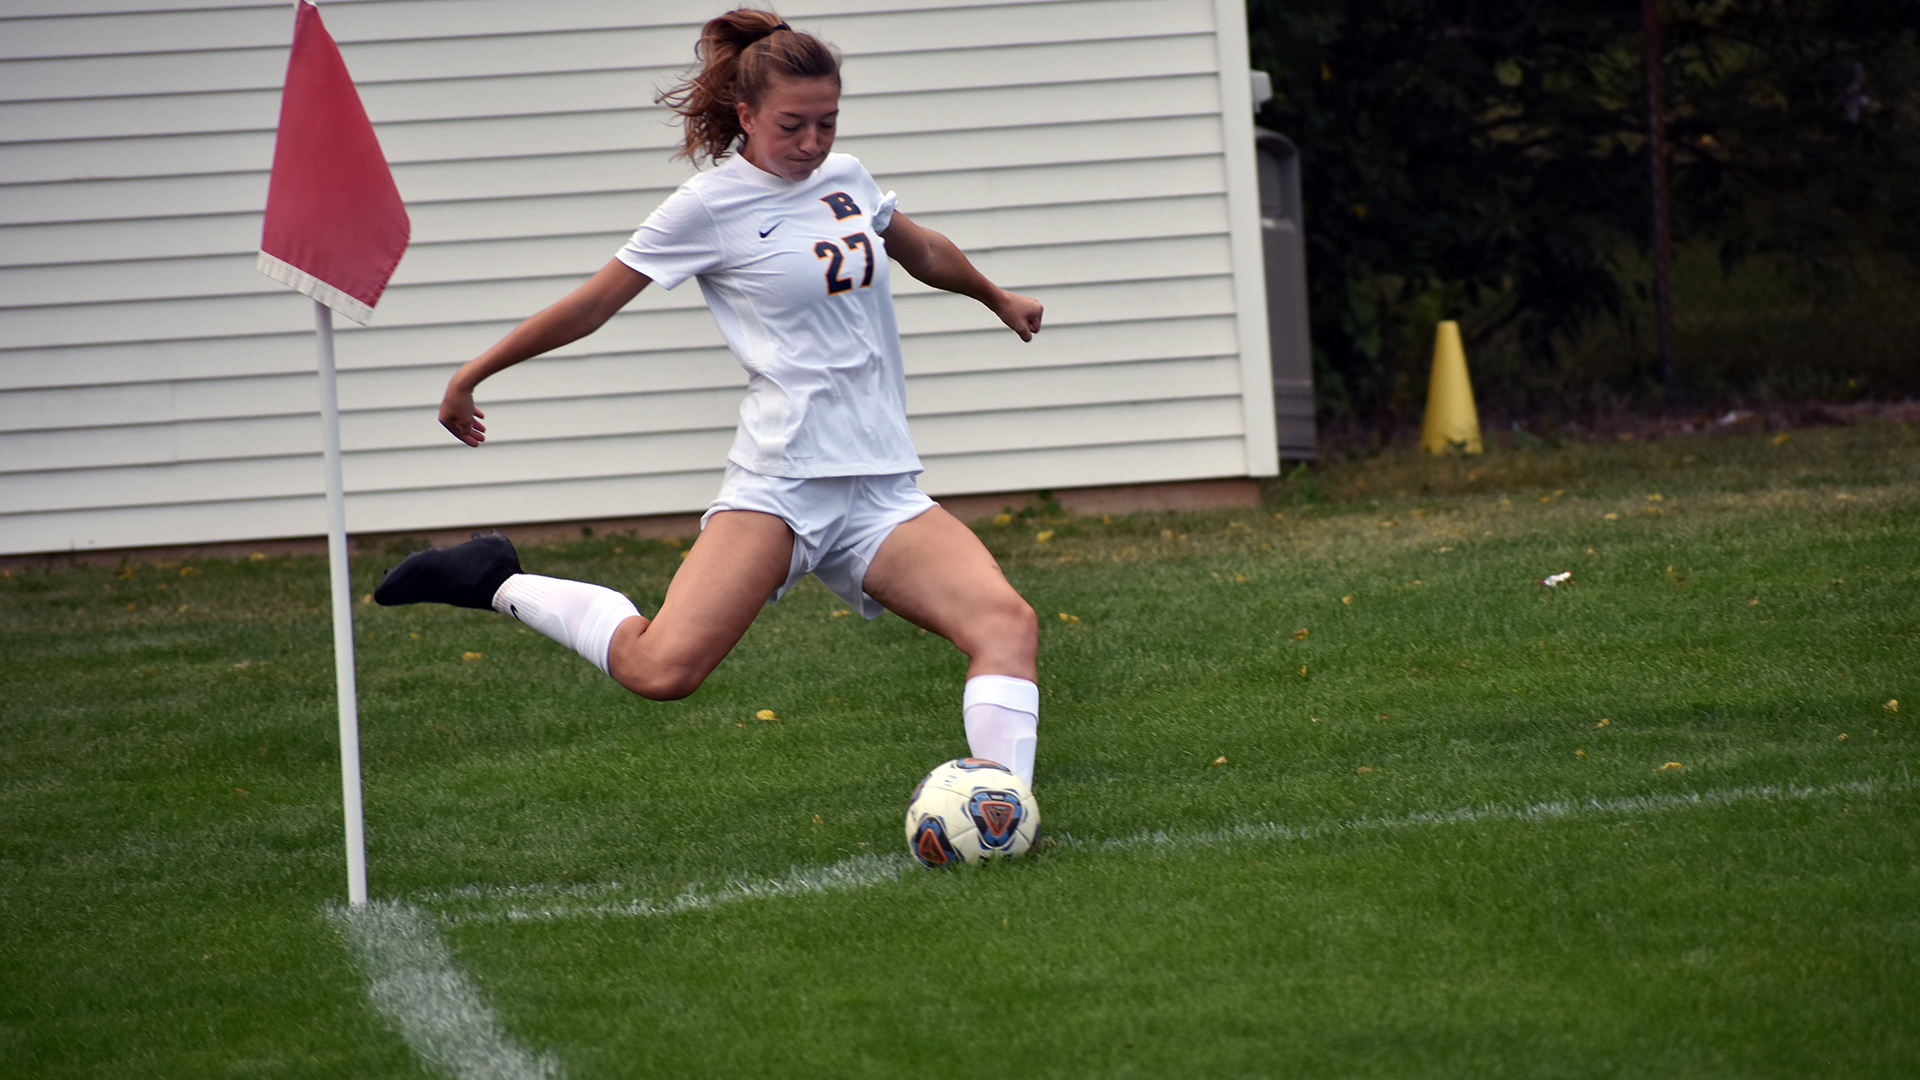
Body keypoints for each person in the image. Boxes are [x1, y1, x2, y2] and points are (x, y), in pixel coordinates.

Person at [374, 8, 1046, 784]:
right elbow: (593, 304)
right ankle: (493, 577)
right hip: (783, 483)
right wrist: (472, 374)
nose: (811, 143)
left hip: (881, 485)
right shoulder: (709, 206)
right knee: (661, 670)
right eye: (792, 125)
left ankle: (1003, 815)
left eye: (827, 123)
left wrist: (996, 297)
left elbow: (917, 245)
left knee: (1006, 623)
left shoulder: (846, 178)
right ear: (746, 115)